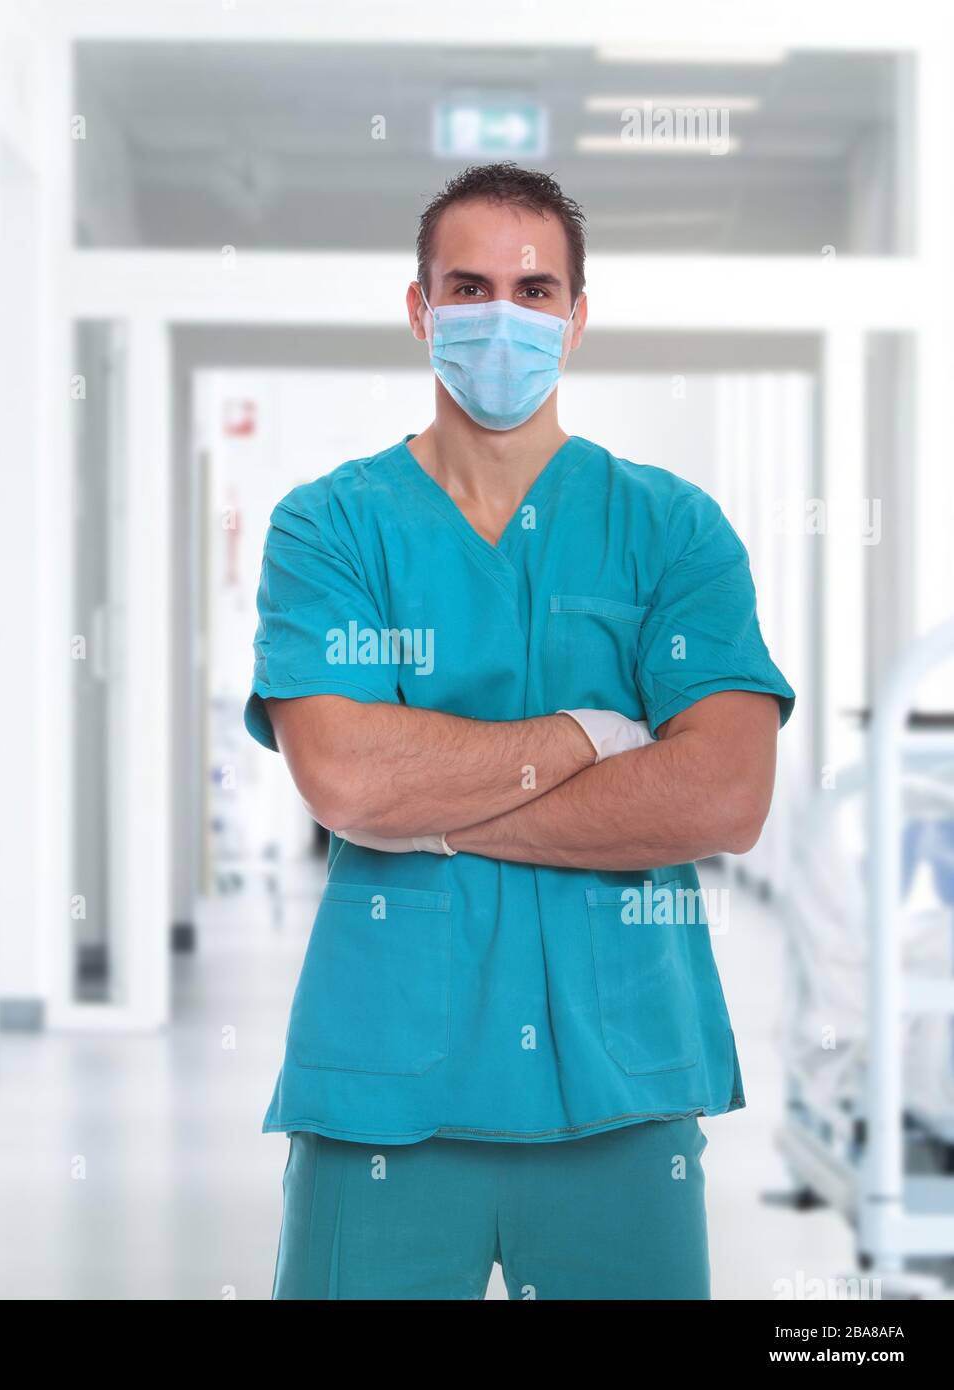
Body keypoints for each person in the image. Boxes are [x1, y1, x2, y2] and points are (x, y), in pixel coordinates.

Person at [243, 161, 795, 1300]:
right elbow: (343, 779)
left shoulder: (669, 529)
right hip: (383, 1088)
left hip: (621, 1085)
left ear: (576, 317)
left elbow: (723, 797)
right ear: (419, 310)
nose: (503, 315)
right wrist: (596, 736)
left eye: (534, 290)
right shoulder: (329, 528)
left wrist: (432, 813)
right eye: (469, 285)